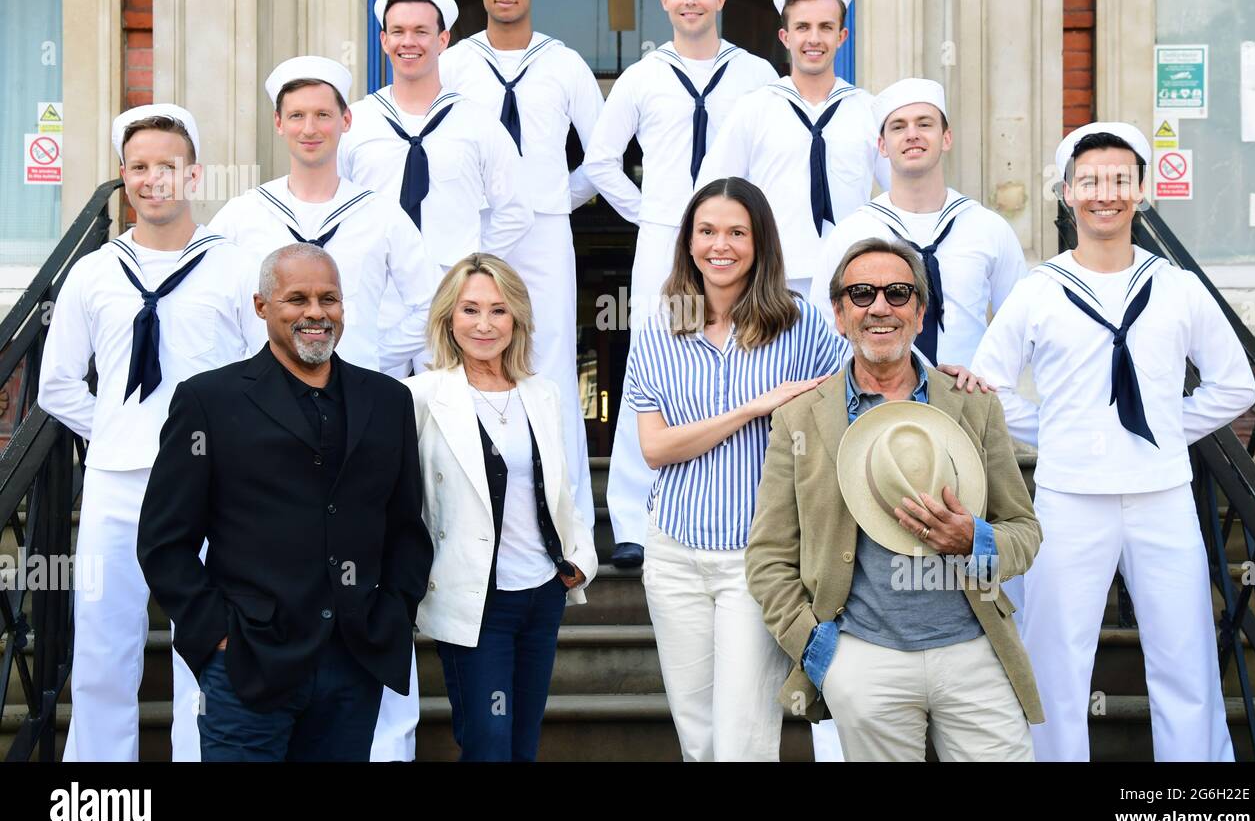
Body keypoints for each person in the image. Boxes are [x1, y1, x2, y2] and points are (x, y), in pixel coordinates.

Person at [970, 123, 1255, 761]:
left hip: (1162, 496)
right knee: (1054, 661)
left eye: (1121, 179)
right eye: (1091, 181)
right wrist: (1064, 431)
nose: (1106, 193)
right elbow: (986, 385)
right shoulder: (1041, 289)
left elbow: (1235, 386)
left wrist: (1156, 429)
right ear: (1067, 192)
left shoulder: (1177, 286)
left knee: (1185, 656)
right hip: (1070, 498)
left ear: (1142, 191)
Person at [746, 237, 1043, 761]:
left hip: (975, 654)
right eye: (860, 294)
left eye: (898, 293)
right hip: (863, 661)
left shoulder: (973, 405)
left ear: (920, 313)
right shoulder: (800, 419)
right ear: (839, 315)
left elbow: (1024, 530)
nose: (879, 306)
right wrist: (816, 648)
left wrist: (977, 539)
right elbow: (768, 555)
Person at [137, 244, 433, 761]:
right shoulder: (209, 401)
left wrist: (392, 614)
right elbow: (164, 542)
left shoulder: (389, 401)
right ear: (261, 306)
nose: (316, 313)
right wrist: (216, 639)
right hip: (248, 665)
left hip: (354, 664)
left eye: (329, 299)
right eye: (297, 298)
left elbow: (407, 529)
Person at [37, 104, 265, 761]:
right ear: (124, 176)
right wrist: (111, 428)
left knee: (208, 645)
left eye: (167, 166)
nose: (152, 179)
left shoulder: (235, 265)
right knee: (103, 645)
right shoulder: (93, 271)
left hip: (214, 487)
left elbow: (262, 374)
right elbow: (56, 384)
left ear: (193, 174)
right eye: (139, 167)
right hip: (116, 480)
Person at [623, 177, 845, 760]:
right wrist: (755, 406)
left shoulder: (800, 324)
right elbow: (656, 448)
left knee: (743, 737)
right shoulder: (659, 328)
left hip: (760, 560)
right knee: (697, 735)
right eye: (707, 231)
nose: (721, 245)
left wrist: (947, 377)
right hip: (673, 551)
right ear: (689, 242)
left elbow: (866, 383)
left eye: (737, 232)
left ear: (760, 242)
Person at [584, 0, 778, 568]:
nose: (691, 1)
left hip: (735, 246)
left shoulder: (755, 75)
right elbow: (602, 161)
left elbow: (774, 153)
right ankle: (637, 523)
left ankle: (741, 505)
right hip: (666, 244)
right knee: (655, 366)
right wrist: (652, 215)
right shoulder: (642, 77)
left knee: (737, 358)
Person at [439, 0, 603, 536]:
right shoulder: (453, 63)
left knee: (554, 365)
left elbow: (603, 152)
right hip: (474, 232)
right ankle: (473, 514)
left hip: (543, 235)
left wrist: (560, 197)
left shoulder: (564, 63)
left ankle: (570, 523)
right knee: (466, 356)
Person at [405, 253, 598, 761]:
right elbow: (400, 501)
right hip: (476, 599)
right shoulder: (421, 397)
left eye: (498, 310)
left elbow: (561, 490)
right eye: (470, 310)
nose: (484, 324)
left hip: (541, 593)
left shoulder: (543, 394)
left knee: (521, 745)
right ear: (449, 318)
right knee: (488, 743)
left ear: (517, 320)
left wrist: (578, 559)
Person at [210, 55, 434, 379]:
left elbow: (430, 304)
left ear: (346, 120)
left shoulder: (381, 214)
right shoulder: (244, 213)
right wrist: (242, 368)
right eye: (297, 115)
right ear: (278, 123)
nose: (310, 129)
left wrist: (370, 356)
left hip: (353, 392)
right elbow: (209, 304)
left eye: (323, 115)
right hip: (264, 397)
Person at [698, 0, 890, 300]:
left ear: (842, 36)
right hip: (773, 280)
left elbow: (899, 193)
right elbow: (713, 193)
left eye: (825, 28)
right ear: (785, 37)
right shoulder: (755, 109)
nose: (814, 39)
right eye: (802, 27)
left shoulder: (868, 111)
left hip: (852, 280)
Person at [809, 78, 1026, 367]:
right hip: (876, 404)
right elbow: (823, 331)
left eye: (924, 124)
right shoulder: (852, 233)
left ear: (946, 138)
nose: (912, 135)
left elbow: (1019, 326)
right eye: (898, 126)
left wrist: (987, 380)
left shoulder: (988, 229)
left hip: (967, 400)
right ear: (882, 145)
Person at [338, 0, 532, 284]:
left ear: (442, 40)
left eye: (421, 31)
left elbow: (516, 211)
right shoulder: (356, 122)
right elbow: (334, 203)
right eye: (398, 31)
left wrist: (470, 268)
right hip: (374, 291)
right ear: (384, 40)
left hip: (449, 293)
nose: (408, 41)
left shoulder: (478, 123)